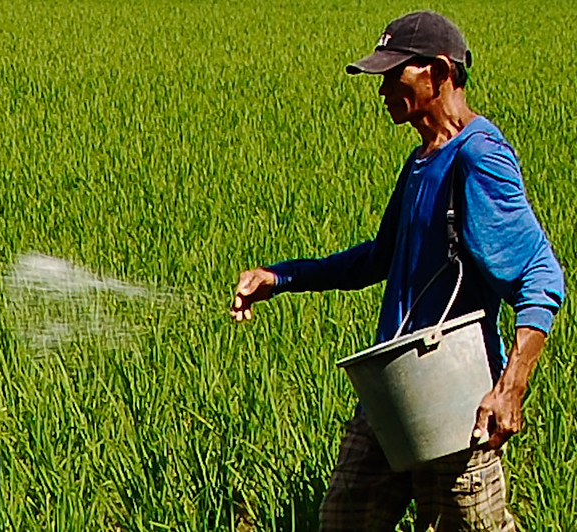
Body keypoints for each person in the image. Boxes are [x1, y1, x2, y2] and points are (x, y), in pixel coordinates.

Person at [230, 10, 564, 531]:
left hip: (455, 400)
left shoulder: (479, 155)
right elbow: (379, 259)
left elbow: (540, 277)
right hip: (392, 390)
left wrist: (510, 387)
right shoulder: (421, 161)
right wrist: (282, 276)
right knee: (344, 519)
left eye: (395, 74)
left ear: (439, 71)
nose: (383, 88)